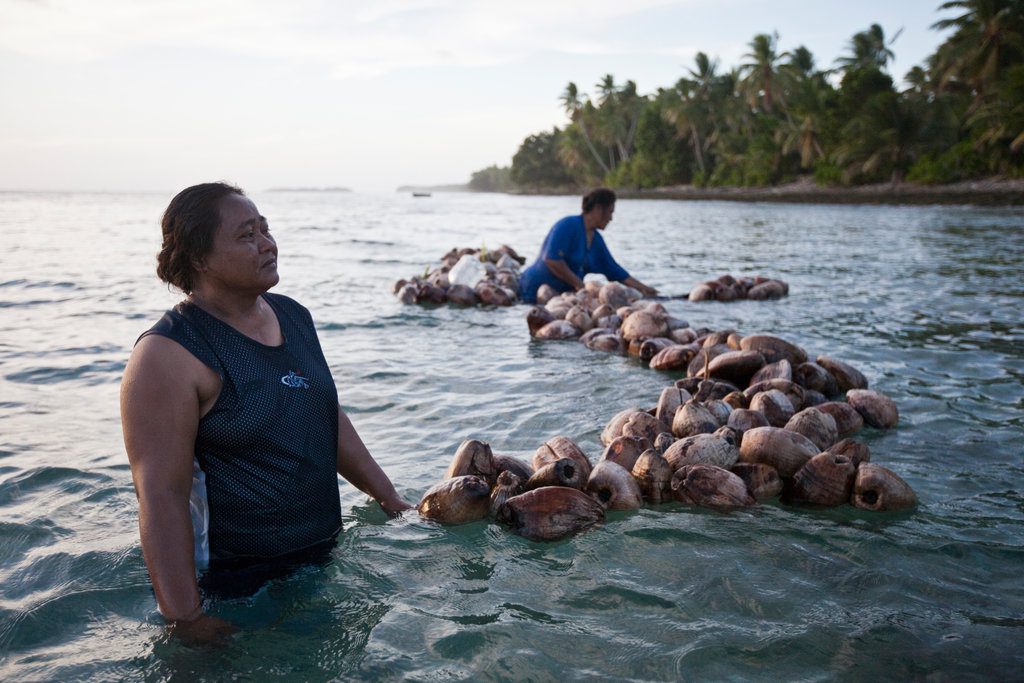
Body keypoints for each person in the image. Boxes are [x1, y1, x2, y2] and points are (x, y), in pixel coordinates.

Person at [121, 182, 413, 642]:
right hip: (236, 589)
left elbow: (322, 414)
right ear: (199, 256)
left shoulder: (294, 316)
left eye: (266, 229)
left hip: (323, 561)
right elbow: (160, 497)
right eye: (246, 235)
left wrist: (389, 498)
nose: (267, 244)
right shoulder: (168, 354)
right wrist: (187, 619)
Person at [518, 188, 658, 303]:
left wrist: (645, 289)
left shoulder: (596, 240)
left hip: (560, 296)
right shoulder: (568, 225)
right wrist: (580, 285)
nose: (611, 218)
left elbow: (614, 271)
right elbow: (551, 259)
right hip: (533, 291)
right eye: (610, 212)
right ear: (598, 209)